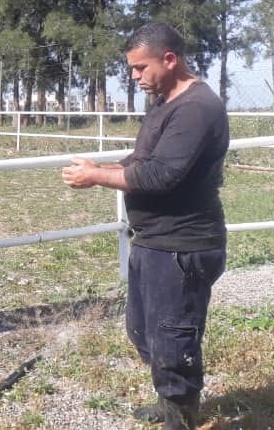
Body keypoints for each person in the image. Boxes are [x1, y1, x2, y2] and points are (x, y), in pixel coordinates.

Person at [61, 23, 229, 430]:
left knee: (173, 338)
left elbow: (161, 176)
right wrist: (101, 168)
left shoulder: (196, 108)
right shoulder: (163, 101)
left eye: (140, 68)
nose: (135, 78)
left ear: (169, 59)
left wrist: (97, 177)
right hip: (154, 240)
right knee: (143, 330)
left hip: (182, 244)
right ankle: (168, 400)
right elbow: (143, 160)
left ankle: (181, 417)